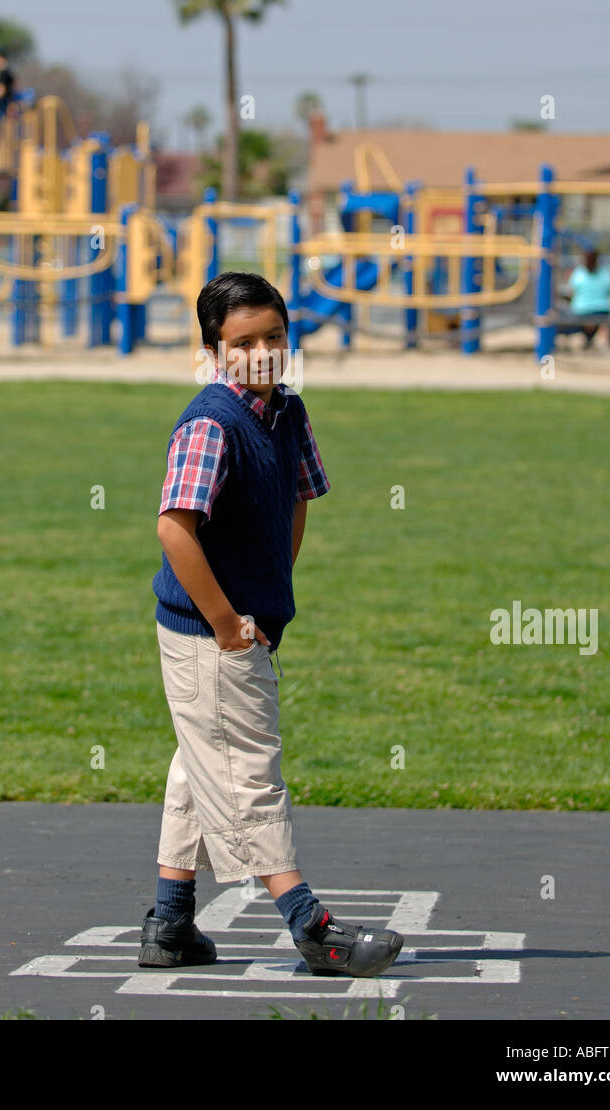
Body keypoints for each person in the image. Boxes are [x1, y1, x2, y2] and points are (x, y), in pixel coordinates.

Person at [140, 270, 404, 978]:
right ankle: (310, 926)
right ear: (212, 350)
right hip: (207, 631)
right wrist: (227, 620)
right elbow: (174, 528)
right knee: (248, 770)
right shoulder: (210, 423)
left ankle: (169, 925)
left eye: (274, 337)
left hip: (248, 620)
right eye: (242, 342)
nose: (261, 353)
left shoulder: (286, 411)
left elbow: (298, 494)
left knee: (201, 768)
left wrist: (271, 581)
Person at [564, 247, 610, 348]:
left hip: (581, 311)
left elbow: (571, 292)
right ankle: (601, 339)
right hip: (601, 310)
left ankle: (583, 337)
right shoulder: (604, 273)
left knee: (568, 316)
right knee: (602, 320)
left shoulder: (579, 273)